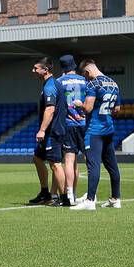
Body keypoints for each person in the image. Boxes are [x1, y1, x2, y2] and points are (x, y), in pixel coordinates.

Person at [72, 59, 123, 211]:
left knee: (93, 164)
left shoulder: (93, 84)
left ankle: (90, 200)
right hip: (108, 129)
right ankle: (115, 198)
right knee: (112, 165)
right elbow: (117, 109)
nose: (86, 79)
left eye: (85, 76)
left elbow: (87, 108)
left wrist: (79, 104)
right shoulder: (114, 83)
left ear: (87, 72)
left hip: (94, 130)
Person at [53, 54, 89, 207]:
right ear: (74, 65)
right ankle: (90, 193)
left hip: (68, 124)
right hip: (84, 124)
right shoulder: (85, 81)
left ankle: (69, 194)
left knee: (69, 160)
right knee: (89, 159)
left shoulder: (59, 82)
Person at [29, 58, 64, 205]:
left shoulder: (50, 86)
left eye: (36, 68)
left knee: (56, 164)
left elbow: (50, 109)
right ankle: (45, 193)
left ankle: (64, 198)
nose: (33, 71)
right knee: (37, 158)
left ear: (45, 70)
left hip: (52, 132)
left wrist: (42, 130)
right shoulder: (51, 84)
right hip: (51, 131)